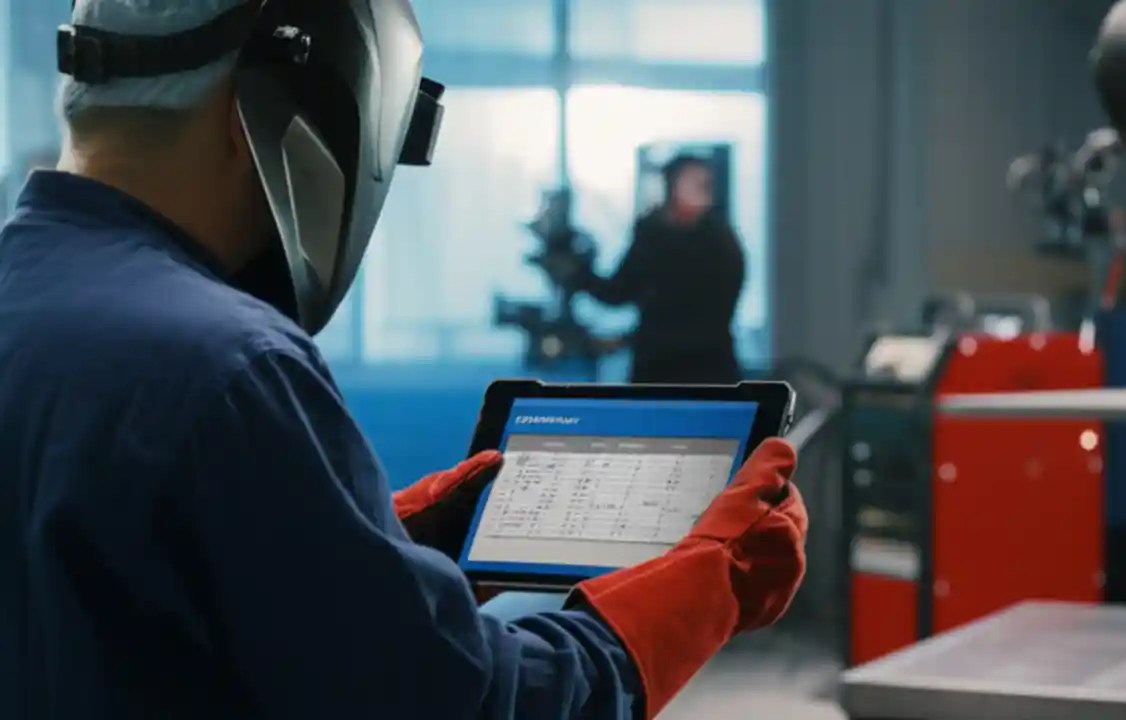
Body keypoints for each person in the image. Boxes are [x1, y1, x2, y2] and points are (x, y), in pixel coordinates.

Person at [0, 2, 807, 720]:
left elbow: (128, 586)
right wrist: (708, 580)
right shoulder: (230, 367)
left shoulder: (36, 302)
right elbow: (473, 702)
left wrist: (371, 537)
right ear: (305, 104)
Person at [580, 155, 747, 384]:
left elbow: (705, 321)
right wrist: (578, 275)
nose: (702, 189)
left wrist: (625, 341)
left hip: (706, 374)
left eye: (706, 183)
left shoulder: (720, 243)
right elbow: (619, 290)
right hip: (653, 373)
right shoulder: (651, 234)